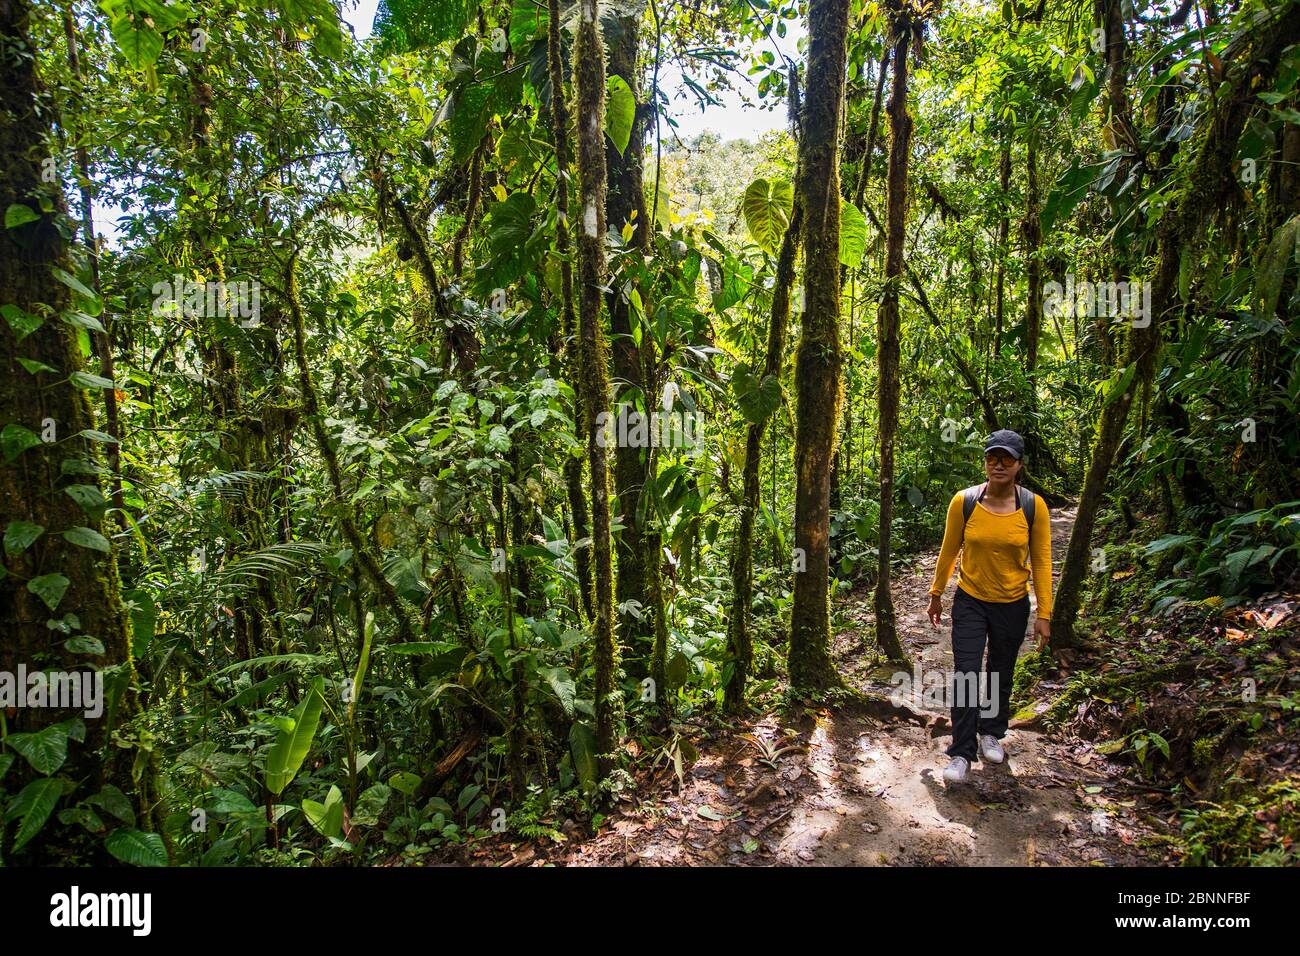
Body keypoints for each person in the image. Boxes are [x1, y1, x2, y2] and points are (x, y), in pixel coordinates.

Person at [926, 429, 1052, 784]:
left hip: (1012, 604)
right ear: (985, 462)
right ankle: (961, 752)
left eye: (1007, 459)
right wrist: (936, 592)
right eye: (993, 458)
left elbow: (1041, 561)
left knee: (1001, 671)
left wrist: (1045, 614)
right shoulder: (963, 502)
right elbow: (949, 551)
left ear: (1019, 465)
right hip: (970, 600)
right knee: (966, 673)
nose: (999, 465)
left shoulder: (1033, 506)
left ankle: (992, 731)